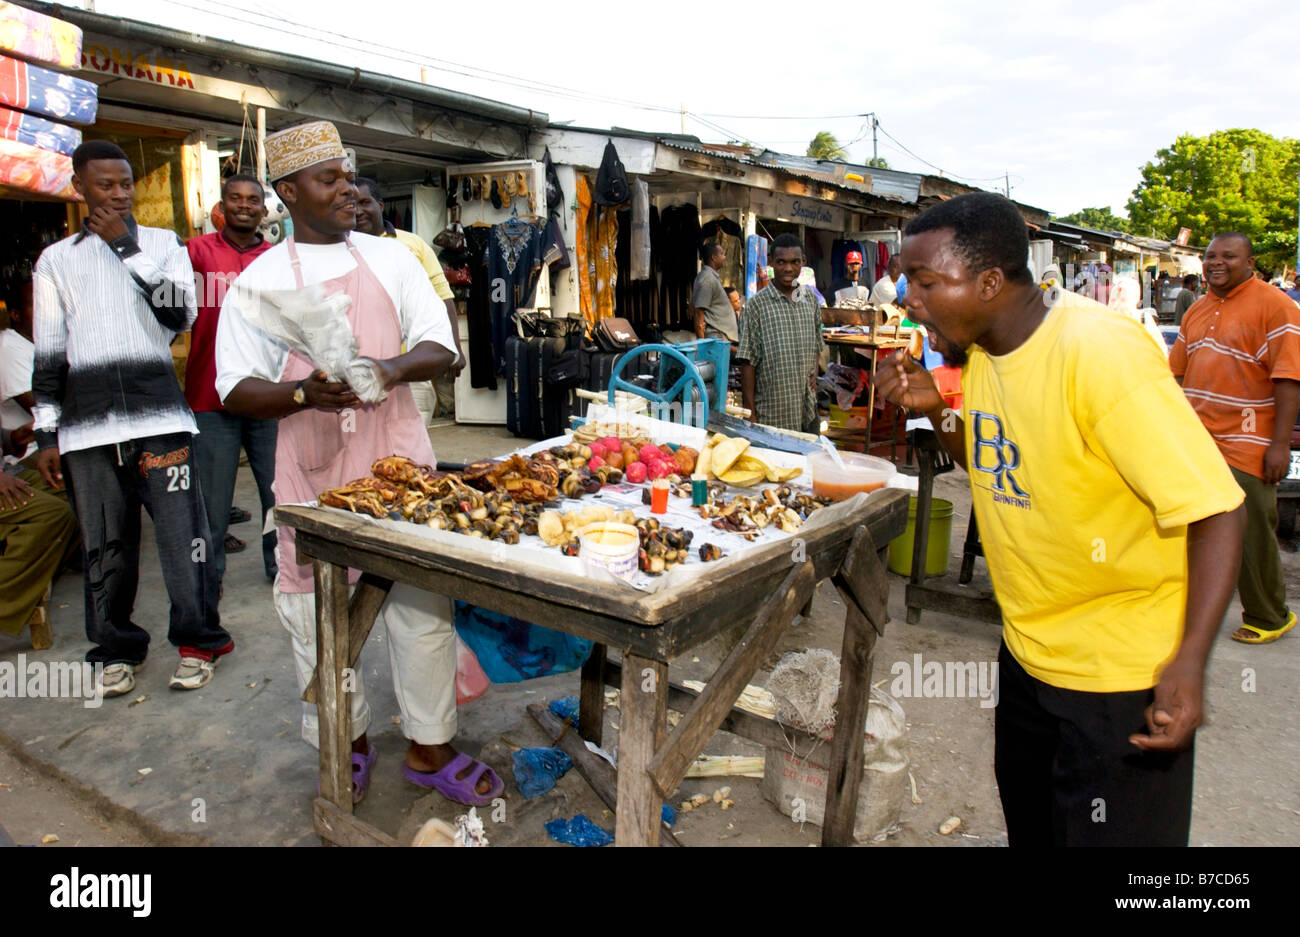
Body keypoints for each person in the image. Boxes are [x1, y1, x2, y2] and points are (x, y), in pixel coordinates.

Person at [873, 192, 1245, 846]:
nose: (909, 296)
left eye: (927, 281)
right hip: (1028, 660)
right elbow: (992, 459)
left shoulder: (1099, 354)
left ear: (989, 281)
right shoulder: (985, 349)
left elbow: (1217, 507)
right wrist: (939, 408)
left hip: (1118, 680)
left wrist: (1189, 662)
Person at [215, 121, 501, 807]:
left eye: (348, 174)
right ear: (288, 192)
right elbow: (233, 387)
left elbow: (443, 346)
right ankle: (348, 741)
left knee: (421, 610)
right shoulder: (257, 283)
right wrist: (300, 392)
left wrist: (389, 367)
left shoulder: (391, 257)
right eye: (329, 179)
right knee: (316, 617)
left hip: (398, 464)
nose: (348, 189)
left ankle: (431, 746)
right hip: (313, 476)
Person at [31, 140, 232, 697]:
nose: (119, 194)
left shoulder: (165, 244)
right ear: (80, 189)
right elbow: (49, 355)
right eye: (106, 185)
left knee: (184, 539)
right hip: (88, 428)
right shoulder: (56, 261)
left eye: (126, 184)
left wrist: (125, 247)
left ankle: (198, 642)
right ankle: (116, 649)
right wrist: (47, 431)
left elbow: (177, 312)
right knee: (104, 546)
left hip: (159, 419)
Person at [1171, 233, 1300, 645]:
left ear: (1250, 261)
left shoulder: (1275, 305)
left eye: (1229, 255)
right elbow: (1177, 373)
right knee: (1192, 525)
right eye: (1210, 256)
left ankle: (1269, 614)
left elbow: (1288, 377)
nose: (1216, 262)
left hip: (1248, 439)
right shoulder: (1198, 309)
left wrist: (1279, 445)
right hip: (1197, 437)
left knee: (1249, 529)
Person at [185, 173, 278, 587]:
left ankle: (282, 568)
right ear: (221, 207)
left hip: (269, 393)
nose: (244, 205)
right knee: (212, 501)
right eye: (235, 199)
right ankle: (210, 578)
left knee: (278, 491)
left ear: (264, 208)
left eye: (252, 200)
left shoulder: (278, 257)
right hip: (210, 394)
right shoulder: (195, 252)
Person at [352, 176, 465, 378]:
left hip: (412, 365)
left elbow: (443, 298)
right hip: (359, 367)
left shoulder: (413, 245)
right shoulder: (342, 249)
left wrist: (455, 349)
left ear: (379, 205)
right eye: (352, 205)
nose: (358, 211)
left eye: (364, 203)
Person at [737, 233, 823, 433]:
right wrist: (750, 411)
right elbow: (748, 362)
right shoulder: (757, 305)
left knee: (810, 461)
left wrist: (814, 371)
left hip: (807, 408)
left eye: (794, 262)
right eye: (781, 262)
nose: (788, 268)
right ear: (771, 263)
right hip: (773, 413)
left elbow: (817, 344)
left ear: (803, 262)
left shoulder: (810, 300)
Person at [1, 423, 77, 638]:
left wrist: (13, 438)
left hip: (8, 471)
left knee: (72, 495)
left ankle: (27, 586)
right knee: (53, 514)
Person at [691, 240, 739, 343]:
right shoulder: (707, 279)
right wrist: (702, 344)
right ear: (713, 257)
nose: (724, 257)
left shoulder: (711, 277)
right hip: (717, 339)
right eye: (722, 254)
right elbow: (698, 313)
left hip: (721, 339)